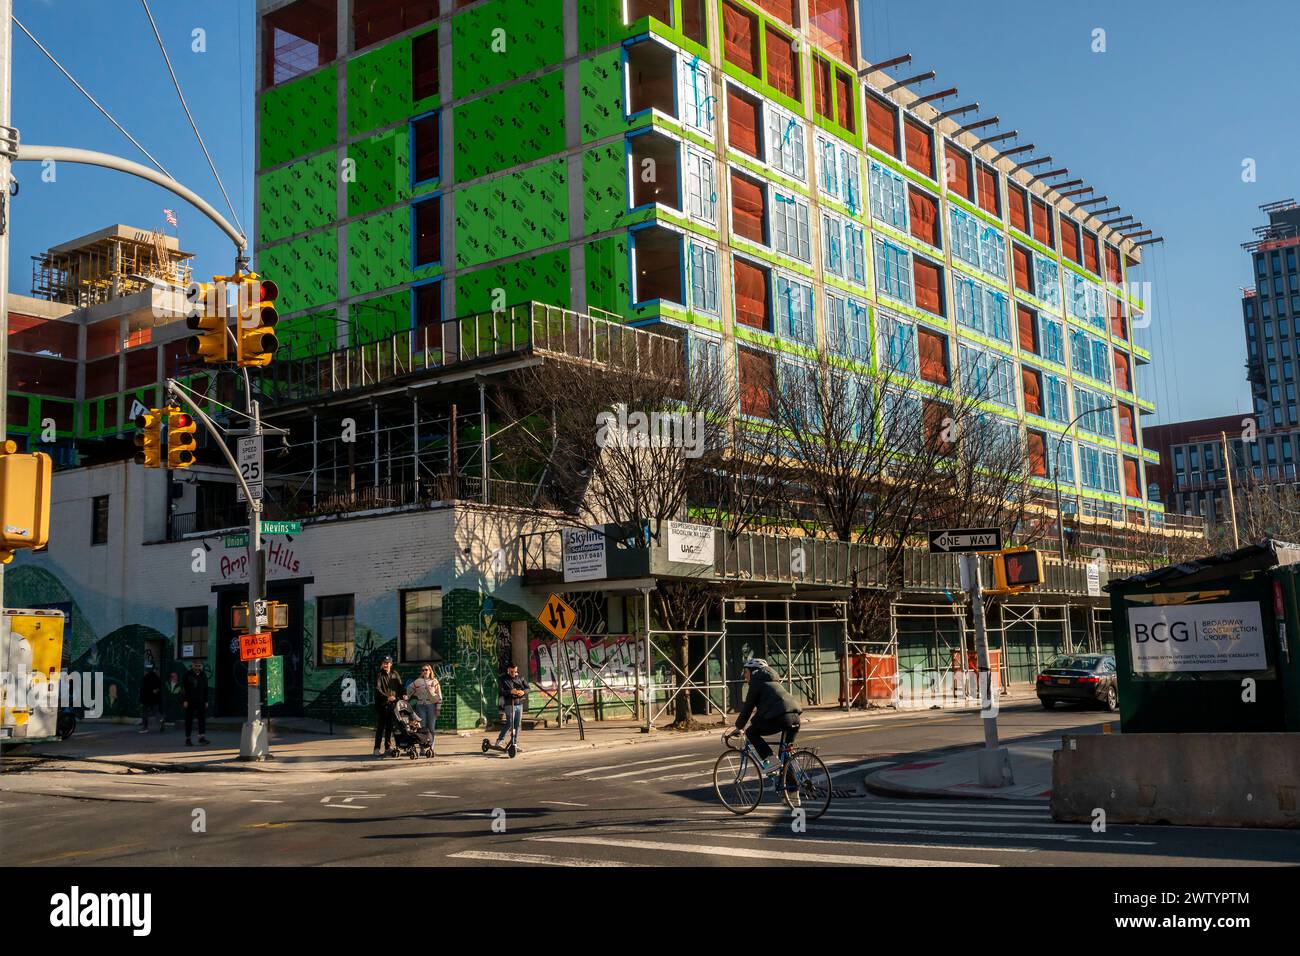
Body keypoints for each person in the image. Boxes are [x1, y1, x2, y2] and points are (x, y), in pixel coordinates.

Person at [731, 658, 801, 781]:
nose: (745, 676)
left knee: (751, 732)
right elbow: (765, 710)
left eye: (746, 672)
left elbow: (748, 707)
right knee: (785, 757)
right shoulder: (772, 681)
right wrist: (753, 722)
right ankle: (792, 794)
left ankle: (771, 761)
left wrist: (738, 727)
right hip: (795, 718)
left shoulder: (756, 682)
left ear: (753, 671)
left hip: (781, 717)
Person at [406, 665, 442, 754]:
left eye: (426, 670)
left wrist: (438, 708)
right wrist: (408, 696)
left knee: (431, 728)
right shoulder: (418, 681)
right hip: (420, 706)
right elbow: (409, 688)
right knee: (421, 728)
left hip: (431, 706)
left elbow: (439, 696)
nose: (424, 671)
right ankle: (422, 749)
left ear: (430, 671)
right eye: (423, 670)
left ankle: (431, 748)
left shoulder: (434, 681)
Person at [373, 656, 405, 757]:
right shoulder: (379, 675)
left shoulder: (395, 674)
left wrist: (404, 694)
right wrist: (387, 697)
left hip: (393, 705)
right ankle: (376, 748)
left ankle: (387, 747)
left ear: (391, 664)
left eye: (388, 663)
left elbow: (400, 686)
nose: (386, 665)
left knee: (390, 727)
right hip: (382, 705)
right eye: (384, 663)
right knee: (381, 727)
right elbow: (378, 689)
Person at [493, 662, 527, 752]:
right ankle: (499, 741)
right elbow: (501, 691)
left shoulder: (520, 677)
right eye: (511, 672)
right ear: (508, 670)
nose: (513, 674)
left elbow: (527, 688)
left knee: (517, 724)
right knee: (510, 723)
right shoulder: (503, 679)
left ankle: (514, 744)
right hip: (509, 704)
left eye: (515, 672)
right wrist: (510, 692)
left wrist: (523, 692)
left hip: (519, 704)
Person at [181, 661, 210, 746]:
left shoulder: (203, 675)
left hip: (201, 701)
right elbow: (183, 688)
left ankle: (201, 738)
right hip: (190, 701)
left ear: (201, 666)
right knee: (189, 720)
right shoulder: (187, 674)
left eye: (199, 666)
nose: (197, 667)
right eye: (196, 666)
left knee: (202, 719)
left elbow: (206, 689)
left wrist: (206, 701)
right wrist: (185, 700)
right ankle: (188, 739)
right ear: (193, 666)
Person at [139, 662, 164, 734]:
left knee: (144, 713)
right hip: (155, 698)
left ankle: (145, 727)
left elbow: (143, 689)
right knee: (156, 712)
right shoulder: (157, 678)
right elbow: (159, 688)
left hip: (146, 698)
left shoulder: (145, 678)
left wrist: (141, 699)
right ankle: (161, 720)